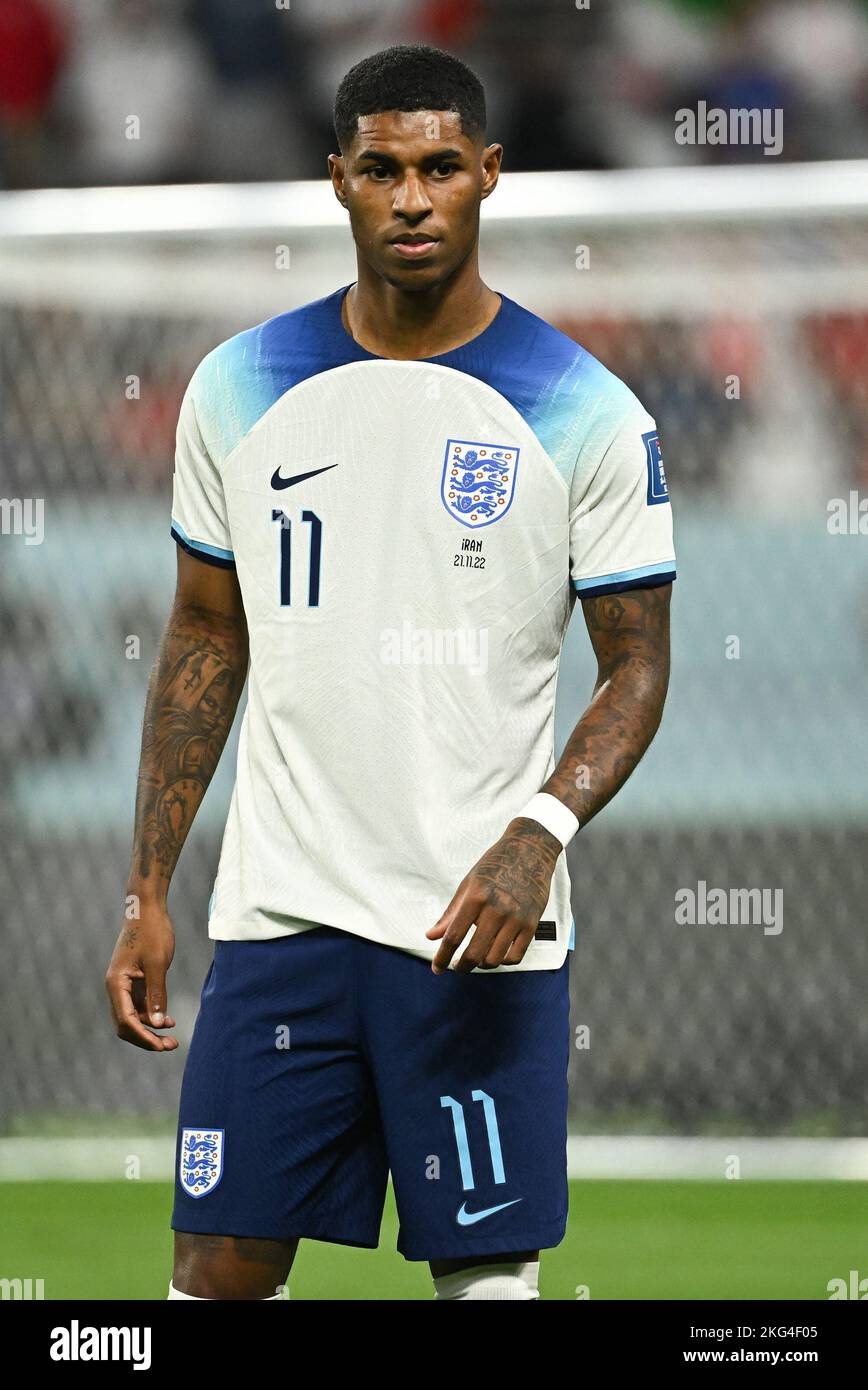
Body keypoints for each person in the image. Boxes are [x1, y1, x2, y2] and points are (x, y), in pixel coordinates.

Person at [105, 43, 676, 1302]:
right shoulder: (236, 387)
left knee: (482, 1271)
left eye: (436, 169)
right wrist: (149, 886)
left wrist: (540, 834)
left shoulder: (586, 410)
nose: (410, 198)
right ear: (337, 183)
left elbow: (635, 669)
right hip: (278, 918)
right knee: (215, 1269)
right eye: (379, 170)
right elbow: (206, 636)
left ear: (487, 175)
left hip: (472, 924)